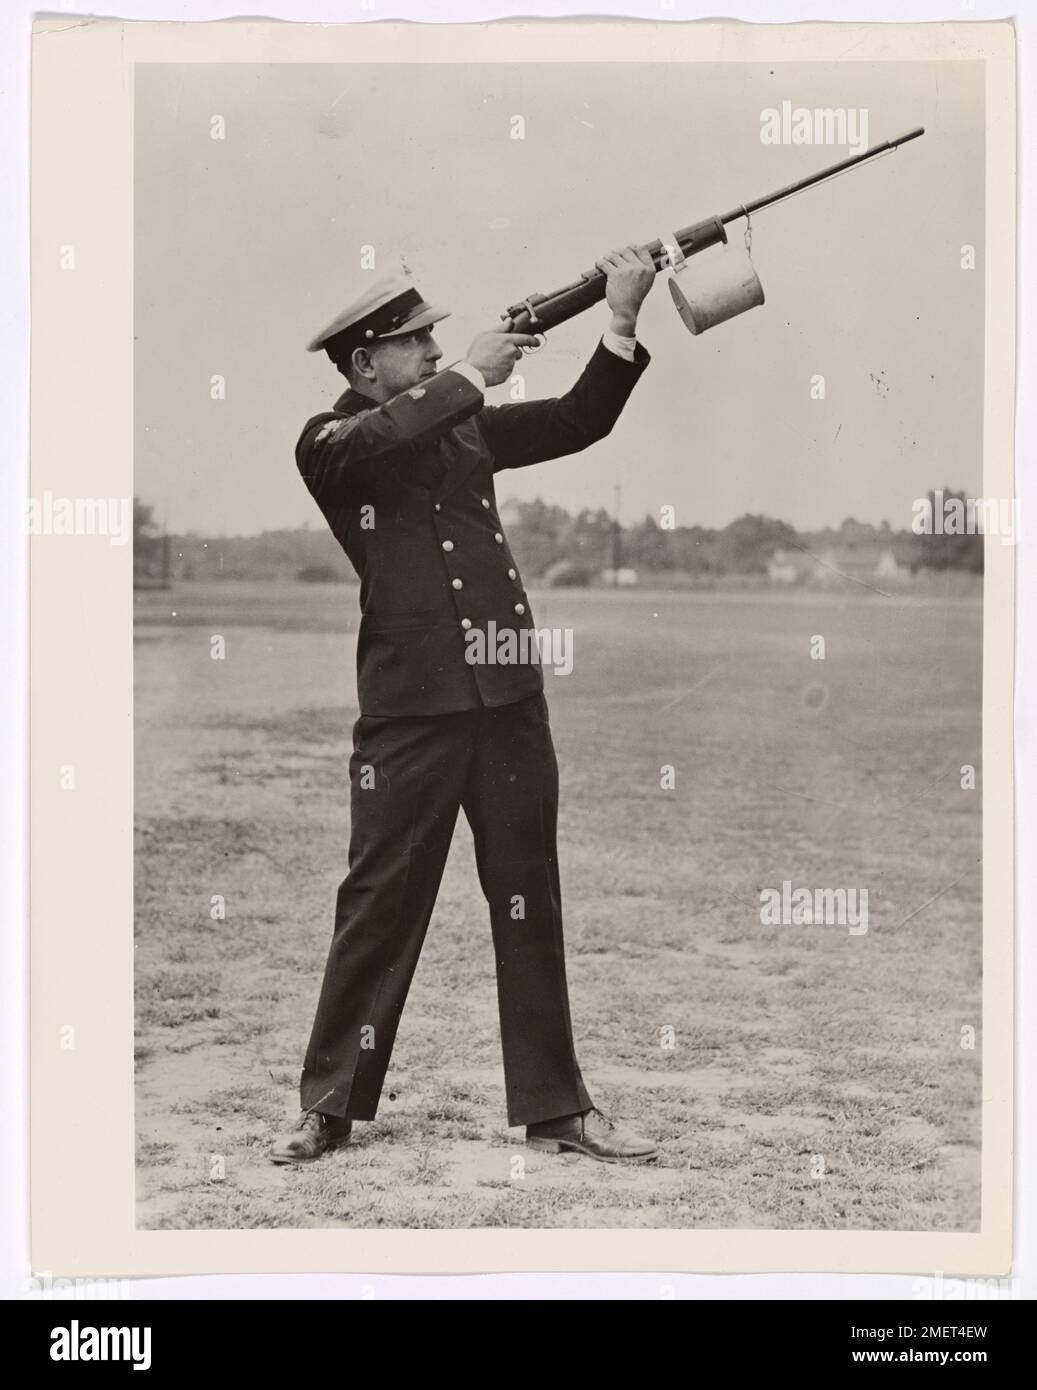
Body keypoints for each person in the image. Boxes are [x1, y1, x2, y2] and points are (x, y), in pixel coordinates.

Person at [269, 248, 659, 1165]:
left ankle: (556, 1108)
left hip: (506, 697)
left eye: (436, 340)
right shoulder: (329, 442)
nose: (435, 352)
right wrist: (475, 374)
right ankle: (328, 1104)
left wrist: (619, 318)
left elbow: (576, 420)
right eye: (416, 342)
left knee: (529, 898)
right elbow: (383, 436)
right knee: (379, 902)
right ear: (365, 362)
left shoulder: (455, 424)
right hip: (411, 710)